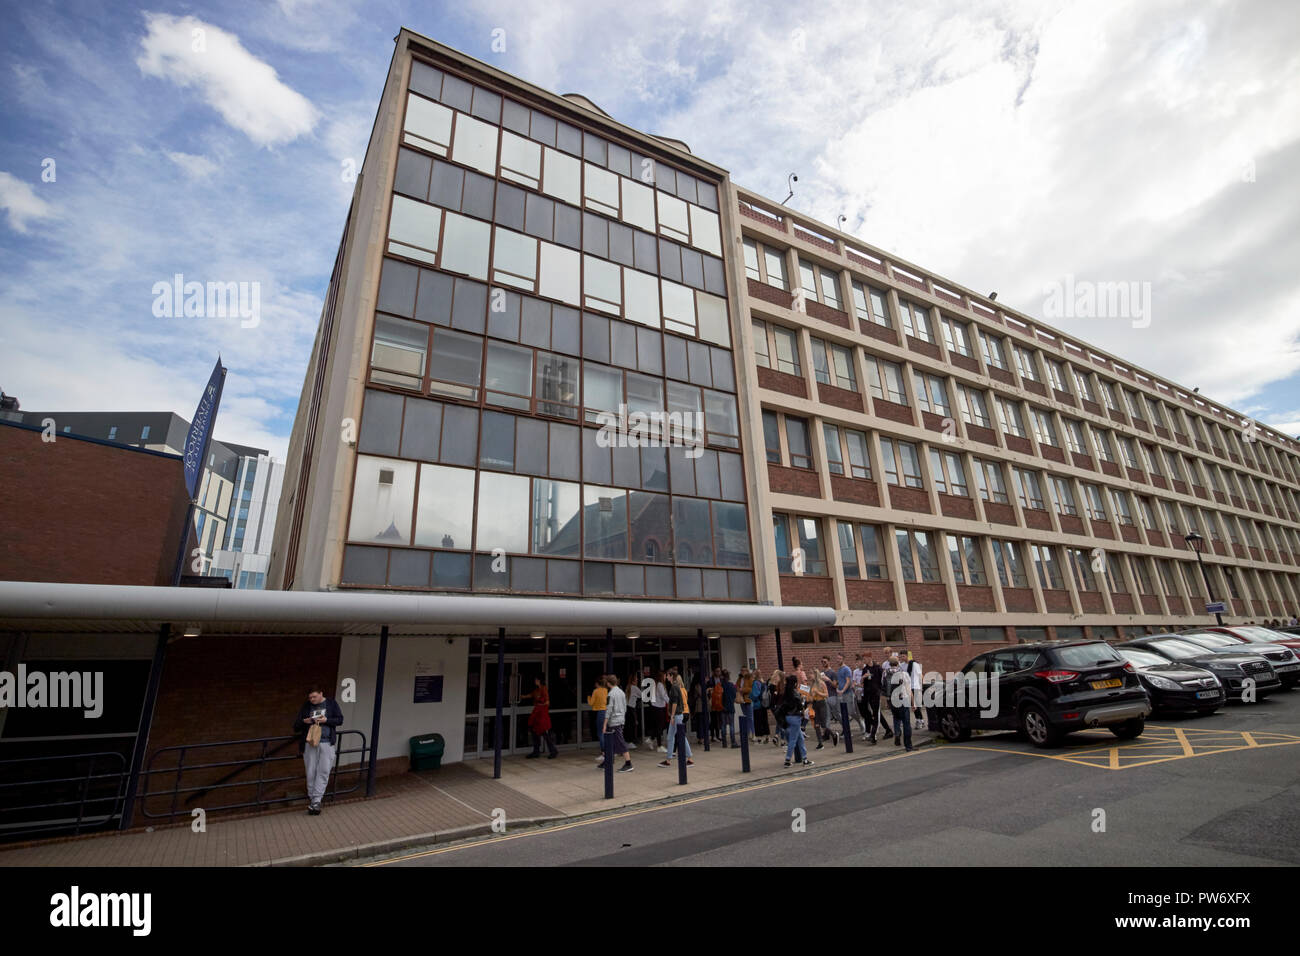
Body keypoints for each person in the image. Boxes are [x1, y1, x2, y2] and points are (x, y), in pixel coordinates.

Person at [293, 685, 344, 815]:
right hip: (310, 742)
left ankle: (316, 800)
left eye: (314, 696)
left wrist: (326, 720)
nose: (312, 699)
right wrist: (306, 721)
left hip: (326, 742)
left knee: (324, 770)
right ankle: (313, 799)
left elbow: (339, 720)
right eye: (310, 697)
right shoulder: (306, 706)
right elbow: (296, 725)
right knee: (311, 771)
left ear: (321, 694)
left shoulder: (331, 704)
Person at [659, 670, 695, 767]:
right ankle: (668, 760)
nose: (666, 677)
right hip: (678, 715)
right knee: (671, 737)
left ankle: (689, 759)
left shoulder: (674, 687)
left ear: (671, 676)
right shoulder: (676, 687)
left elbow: (674, 703)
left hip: (677, 715)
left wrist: (672, 716)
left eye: (667, 675)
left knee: (679, 736)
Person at [520, 675, 558, 758]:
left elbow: (547, 701)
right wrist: (523, 696)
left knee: (544, 732)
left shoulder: (544, 689)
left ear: (539, 680)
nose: (535, 681)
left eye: (536, 679)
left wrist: (543, 704)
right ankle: (536, 751)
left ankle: (553, 750)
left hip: (542, 713)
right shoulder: (536, 690)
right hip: (537, 713)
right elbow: (531, 695)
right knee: (534, 731)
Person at [780, 670, 812, 768]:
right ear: (795, 683)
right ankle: (787, 760)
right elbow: (800, 706)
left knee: (800, 738)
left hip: (788, 717)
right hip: (795, 718)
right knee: (793, 740)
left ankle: (805, 759)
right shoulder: (795, 693)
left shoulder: (786, 693)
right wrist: (803, 700)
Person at [603, 675, 634, 772]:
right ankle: (608, 761)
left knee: (620, 742)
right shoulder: (621, 692)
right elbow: (625, 707)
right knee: (611, 742)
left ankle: (628, 763)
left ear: (608, 683)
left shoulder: (610, 694)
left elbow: (608, 710)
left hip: (614, 721)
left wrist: (604, 724)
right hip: (620, 719)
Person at [887, 655, 914, 751]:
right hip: (903, 700)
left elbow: (884, 687)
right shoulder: (903, 674)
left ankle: (897, 734)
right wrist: (913, 703)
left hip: (892, 701)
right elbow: (908, 689)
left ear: (889, 663)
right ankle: (908, 745)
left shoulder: (885, 673)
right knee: (906, 723)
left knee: (896, 718)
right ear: (898, 663)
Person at [863, 653, 889, 743]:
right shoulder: (865, 669)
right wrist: (863, 677)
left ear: (870, 658)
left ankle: (873, 735)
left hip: (876, 694)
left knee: (876, 715)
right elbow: (862, 682)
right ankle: (888, 730)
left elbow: (884, 679)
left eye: (865, 658)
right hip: (868, 694)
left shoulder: (877, 668)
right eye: (864, 659)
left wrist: (882, 691)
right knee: (876, 713)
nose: (864, 660)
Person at [809, 669, 832, 749]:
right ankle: (820, 743)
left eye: (811, 674)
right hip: (815, 704)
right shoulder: (812, 684)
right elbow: (811, 696)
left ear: (815, 675)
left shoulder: (821, 683)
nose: (810, 675)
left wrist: (818, 693)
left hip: (822, 703)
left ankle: (833, 734)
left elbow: (826, 694)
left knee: (824, 724)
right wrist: (810, 698)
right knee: (816, 725)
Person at [835, 652, 856, 740]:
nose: (838, 660)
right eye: (837, 658)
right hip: (841, 693)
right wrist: (837, 688)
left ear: (843, 659)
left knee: (851, 712)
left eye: (839, 659)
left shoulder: (846, 669)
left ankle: (861, 724)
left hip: (847, 693)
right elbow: (839, 681)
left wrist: (843, 690)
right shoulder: (839, 669)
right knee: (842, 713)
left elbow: (848, 681)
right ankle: (847, 731)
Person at [588, 675, 608, 759]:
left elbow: (591, 703)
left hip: (600, 712)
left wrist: (588, 697)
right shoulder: (606, 690)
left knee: (600, 733)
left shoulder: (596, 691)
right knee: (607, 732)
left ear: (597, 684)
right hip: (607, 711)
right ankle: (609, 750)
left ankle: (604, 752)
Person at [736, 666, 755, 744]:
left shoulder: (749, 678)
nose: (743, 672)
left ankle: (753, 734)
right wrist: (738, 689)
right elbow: (736, 686)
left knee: (750, 717)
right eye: (741, 670)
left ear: (747, 671)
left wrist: (742, 690)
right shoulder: (740, 679)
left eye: (744, 670)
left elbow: (751, 688)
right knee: (745, 717)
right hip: (742, 700)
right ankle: (747, 734)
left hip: (748, 699)